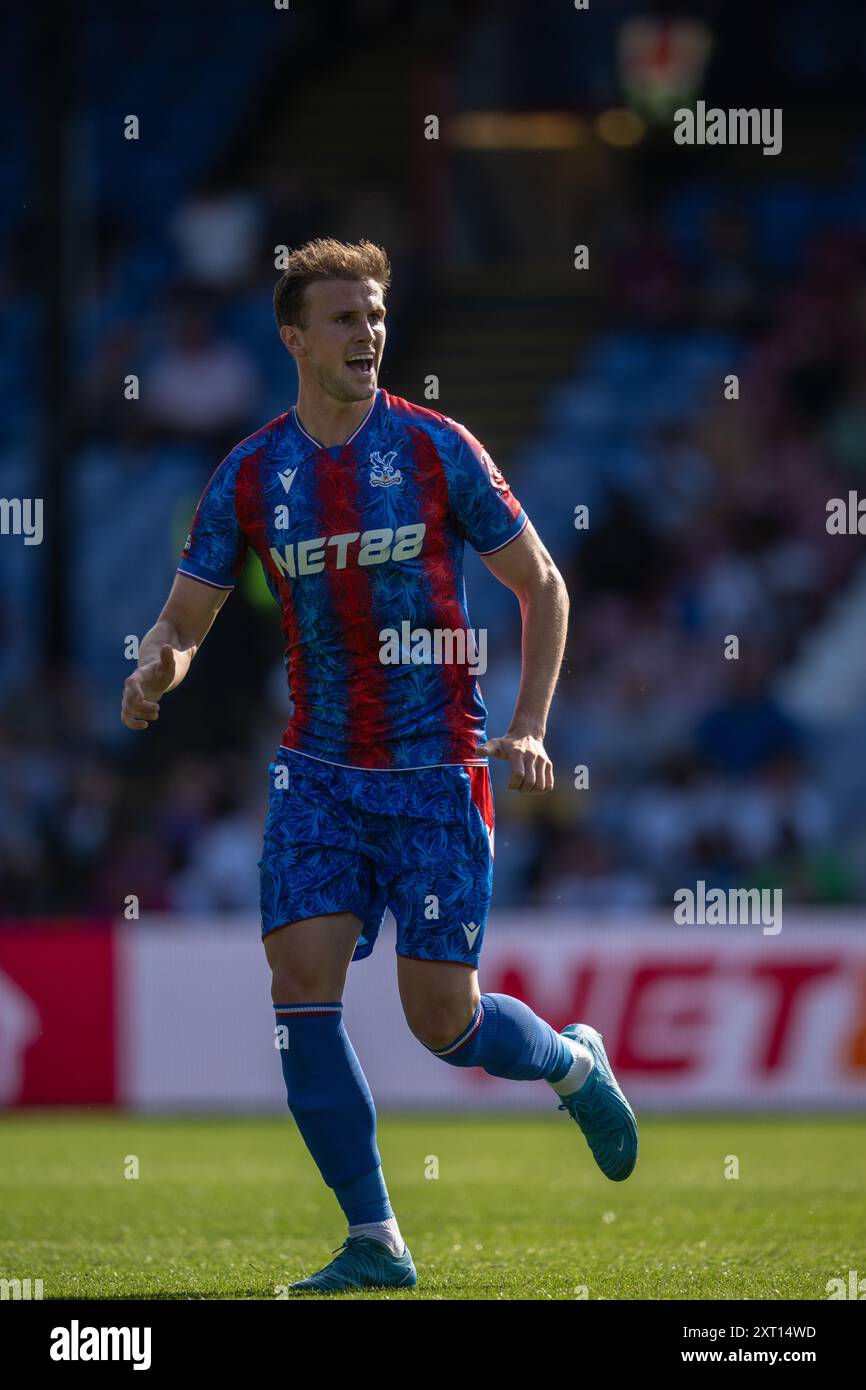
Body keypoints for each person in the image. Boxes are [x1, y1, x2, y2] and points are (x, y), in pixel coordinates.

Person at [121, 238, 638, 1294]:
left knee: (442, 1022)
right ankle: (376, 1240)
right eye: (344, 318)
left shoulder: (438, 448)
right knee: (299, 984)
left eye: (375, 316)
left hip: (438, 771)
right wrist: (155, 669)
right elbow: (183, 617)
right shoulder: (252, 473)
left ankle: (571, 1062)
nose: (366, 335)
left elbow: (540, 583)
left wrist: (531, 722)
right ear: (294, 337)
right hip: (316, 773)